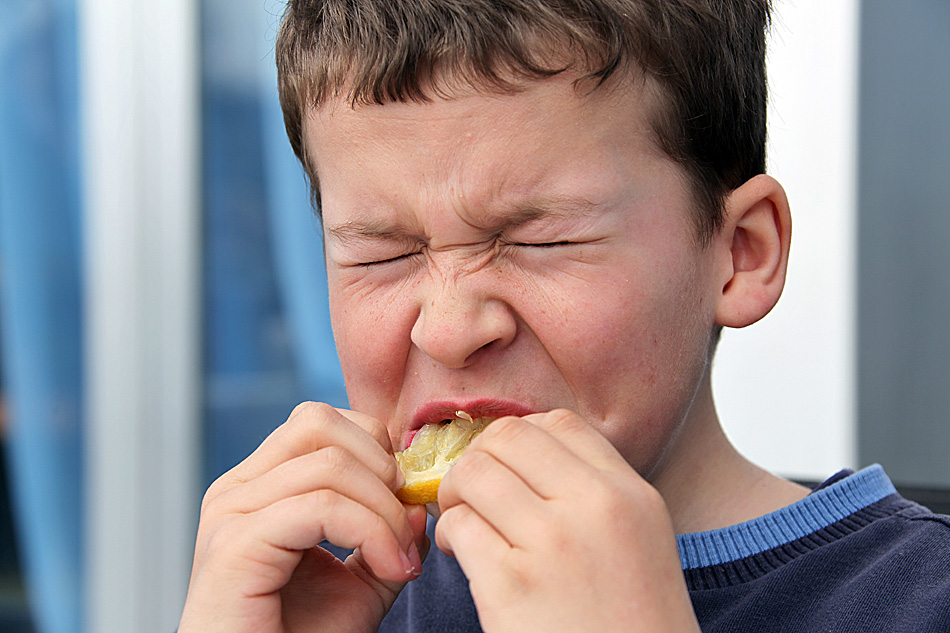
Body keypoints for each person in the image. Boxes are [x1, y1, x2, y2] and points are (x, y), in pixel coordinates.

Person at [178, 1, 950, 631]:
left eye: (540, 239)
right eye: (383, 254)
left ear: (741, 252)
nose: (448, 327)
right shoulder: (343, 597)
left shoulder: (920, 600)